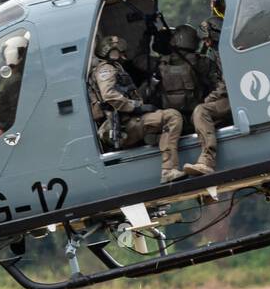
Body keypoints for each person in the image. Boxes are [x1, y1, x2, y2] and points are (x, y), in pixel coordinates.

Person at [88, 35, 186, 184]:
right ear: (112, 51)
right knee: (173, 116)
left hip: (127, 121)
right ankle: (169, 169)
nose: (123, 54)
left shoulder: (116, 68)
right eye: (119, 51)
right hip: (123, 125)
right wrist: (135, 107)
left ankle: (158, 142)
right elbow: (109, 95)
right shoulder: (106, 69)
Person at [183, 16, 230, 177]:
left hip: (235, 99)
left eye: (208, 39)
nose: (207, 43)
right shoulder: (220, 49)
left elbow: (227, 82)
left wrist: (210, 99)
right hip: (235, 97)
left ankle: (207, 160)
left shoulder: (225, 50)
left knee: (201, 112)